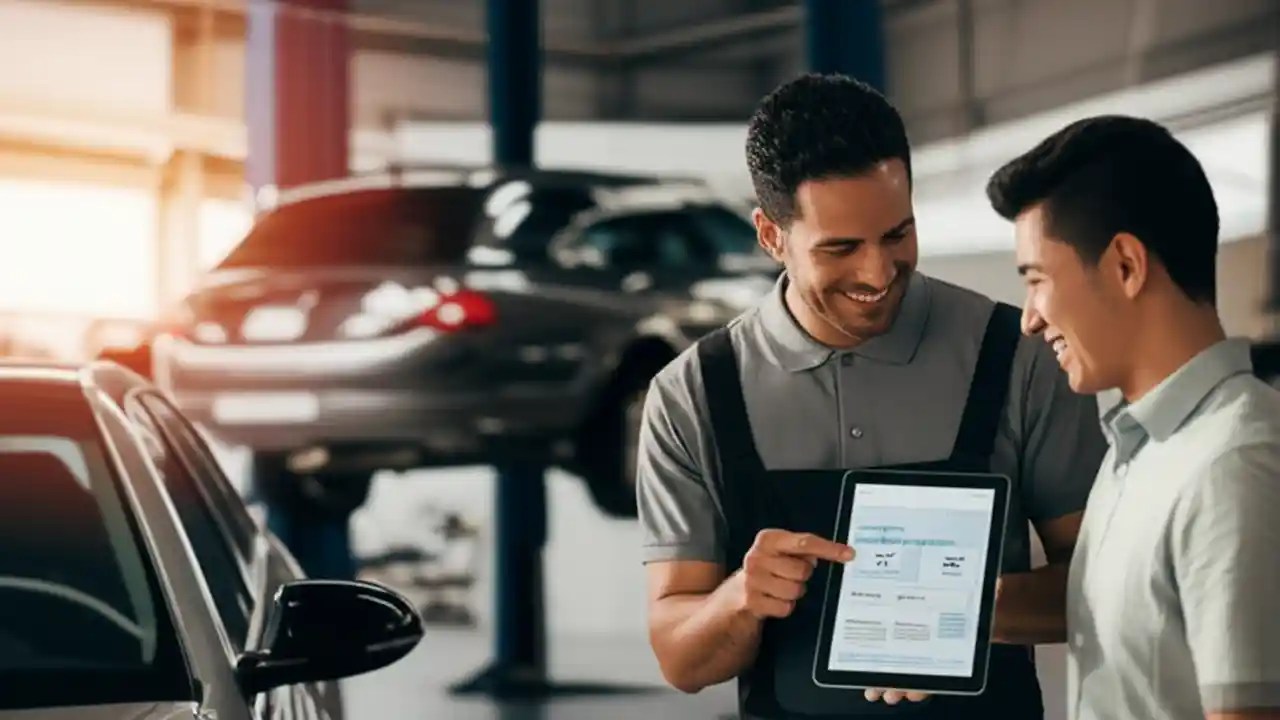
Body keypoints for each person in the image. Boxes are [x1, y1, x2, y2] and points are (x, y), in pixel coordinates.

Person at [637, 73, 1108, 719]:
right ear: (771, 236)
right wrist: (741, 597)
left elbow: (1101, 588)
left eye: (896, 234)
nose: (878, 273)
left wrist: (959, 613)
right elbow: (680, 659)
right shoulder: (690, 396)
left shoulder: (1020, 357)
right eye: (841, 248)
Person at [987, 115, 1280, 720]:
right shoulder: (1138, 451)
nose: (1030, 319)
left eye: (1037, 280)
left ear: (1125, 264)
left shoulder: (1232, 464)